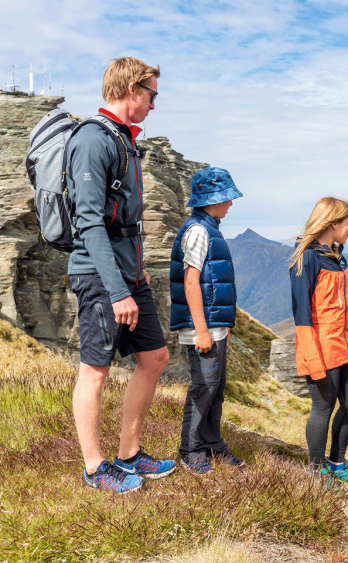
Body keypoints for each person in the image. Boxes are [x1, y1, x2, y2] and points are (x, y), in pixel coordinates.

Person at [69, 57, 175, 493]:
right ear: (132, 89)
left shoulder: (125, 141)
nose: (154, 105)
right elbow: (90, 223)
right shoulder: (94, 141)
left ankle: (129, 454)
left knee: (155, 358)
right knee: (96, 370)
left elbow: (125, 220)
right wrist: (117, 290)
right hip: (100, 277)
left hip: (128, 275)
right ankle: (95, 468)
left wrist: (138, 274)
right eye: (152, 94)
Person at [169, 167, 245, 474]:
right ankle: (191, 452)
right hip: (203, 330)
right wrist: (202, 330)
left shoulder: (208, 226)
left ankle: (213, 444)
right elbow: (191, 282)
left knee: (215, 387)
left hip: (214, 329)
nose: (231, 203)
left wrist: (219, 328)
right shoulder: (199, 231)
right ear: (212, 199)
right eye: (227, 197)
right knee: (203, 387)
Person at [289, 197, 348, 487]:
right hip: (320, 346)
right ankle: (316, 471)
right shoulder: (307, 257)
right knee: (323, 408)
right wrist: (310, 356)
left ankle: (336, 462)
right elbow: (301, 313)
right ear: (333, 224)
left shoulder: (337, 255)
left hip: (345, 346)